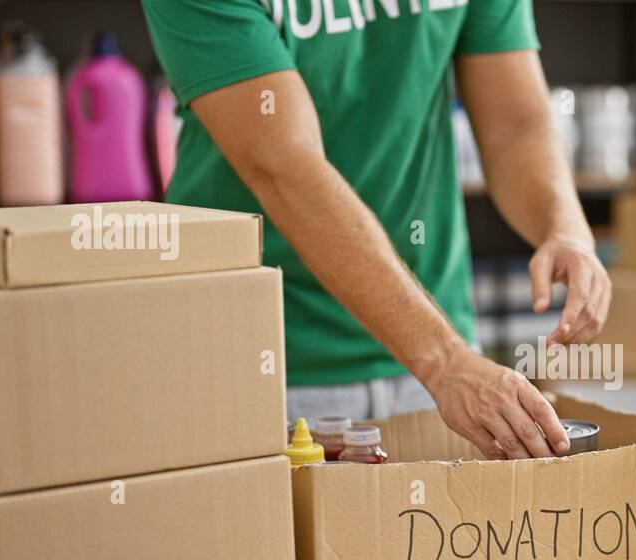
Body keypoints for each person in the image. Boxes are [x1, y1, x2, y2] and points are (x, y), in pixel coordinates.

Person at [141, 0, 611, 459]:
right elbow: (284, 164)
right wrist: (444, 363)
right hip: (261, 364)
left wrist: (565, 228)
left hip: (442, 357)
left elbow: (515, 125)